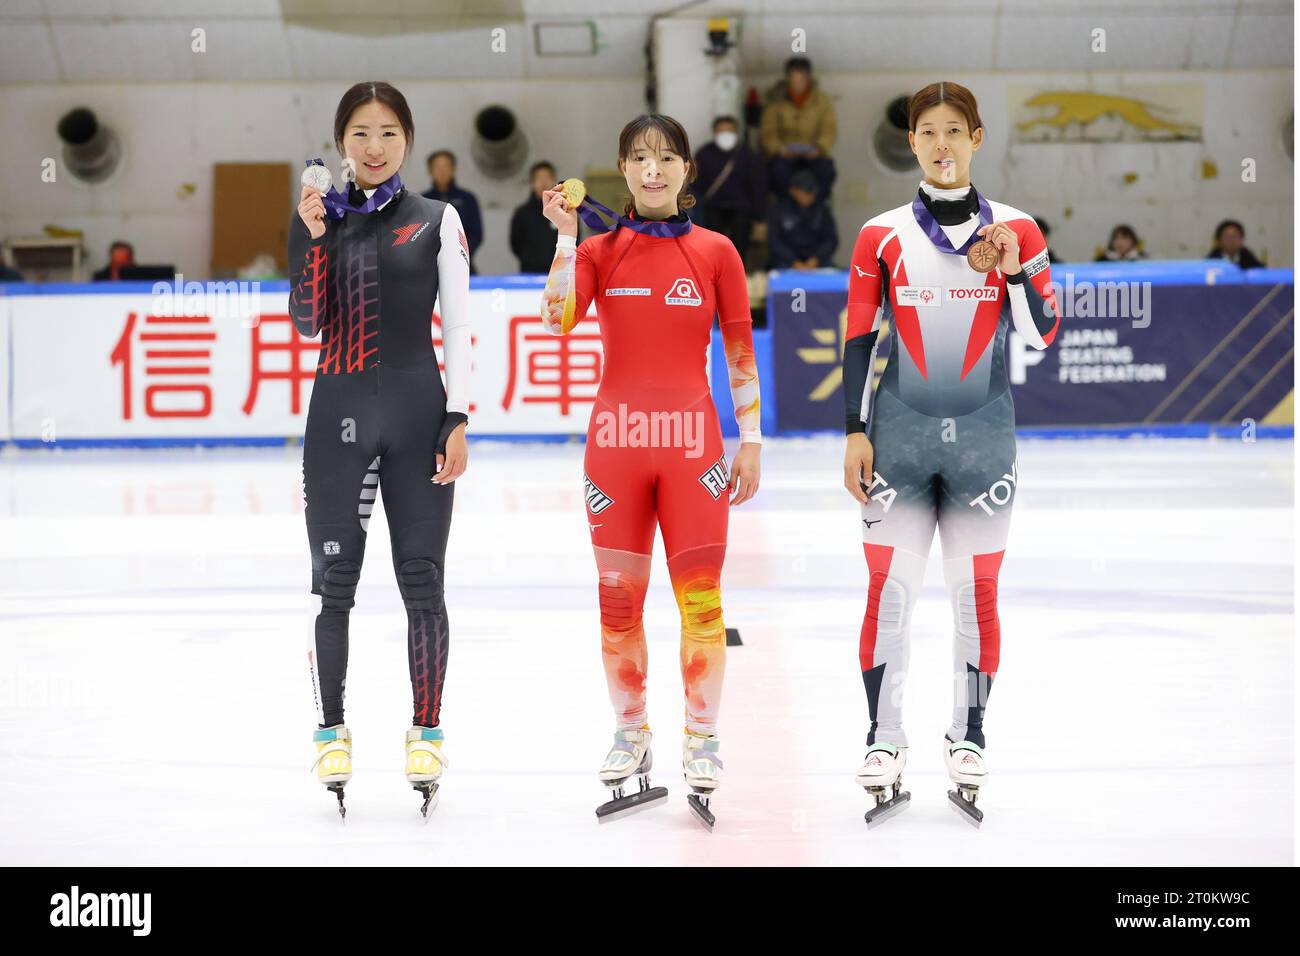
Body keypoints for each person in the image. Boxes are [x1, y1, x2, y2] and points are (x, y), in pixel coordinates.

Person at [840, 81, 1060, 828]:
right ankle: (883, 738)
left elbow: (1041, 335)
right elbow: (859, 338)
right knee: (888, 596)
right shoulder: (879, 235)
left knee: (976, 598)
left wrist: (1015, 269)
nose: (941, 144)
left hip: (983, 445)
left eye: (954, 131)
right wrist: (854, 429)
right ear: (912, 142)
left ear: (977, 138)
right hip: (896, 442)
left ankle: (969, 735)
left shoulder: (1017, 229)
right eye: (928, 131)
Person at [539, 114, 761, 827]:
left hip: (694, 449)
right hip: (617, 447)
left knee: (702, 603)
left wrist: (751, 440)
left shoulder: (717, 252)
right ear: (623, 169)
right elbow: (556, 319)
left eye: (666, 157)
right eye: (640, 158)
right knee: (617, 606)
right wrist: (565, 237)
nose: (653, 169)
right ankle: (631, 732)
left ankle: (703, 738)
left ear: (687, 169)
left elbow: (739, 351)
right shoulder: (598, 249)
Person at [289, 81, 472, 819]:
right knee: (334, 584)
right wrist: (311, 238)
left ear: (408, 140)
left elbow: (458, 324)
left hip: (419, 415)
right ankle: (331, 730)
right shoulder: (317, 216)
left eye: (389, 133)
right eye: (360, 133)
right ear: (341, 143)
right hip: (336, 416)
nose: (374, 147)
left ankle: (426, 731)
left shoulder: (437, 219)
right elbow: (307, 322)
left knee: (423, 582)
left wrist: (457, 416)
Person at [691, 115, 768, 260]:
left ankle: (738, 267)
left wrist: (759, 216)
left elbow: (758, 186)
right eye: (721, 131)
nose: (725, 135)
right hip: (714, 205)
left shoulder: (748, 155)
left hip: (741, 206)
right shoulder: (704, 154)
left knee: (740, 241)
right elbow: (696, 185)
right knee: (713, 244)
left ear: (736, 133)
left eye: (729, 131)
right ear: (714, 133)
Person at [760, 56, 838, 198]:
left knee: (826, 170)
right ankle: (787, 206)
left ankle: (816, 205)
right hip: (784, 154)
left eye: (801, 80)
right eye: (793, 80)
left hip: (814, 153)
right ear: (787, 78)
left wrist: (819, 148)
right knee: (777, 170)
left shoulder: (822, 100)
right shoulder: (775, 100)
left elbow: (830, 129)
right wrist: (779, 149)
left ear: (808, 78)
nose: (797, 84)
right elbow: (768, 131)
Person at [422, 149, 483, 273]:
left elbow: (476, 233)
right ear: (430, 171)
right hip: (431, 267)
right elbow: (420, 234)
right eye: (437, 167)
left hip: (463, 263)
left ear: (453, 169)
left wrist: (460, 253)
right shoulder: (423, 200)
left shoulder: (467, 199)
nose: (442, 171)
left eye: (446, 166)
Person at [766, 169, 838, 269]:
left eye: (812, 191)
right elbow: (774, 240)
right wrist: (793, 261)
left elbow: (831, 239)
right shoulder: (779, 210)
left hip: (818, 263)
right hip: (785, 262)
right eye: (805, 191)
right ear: (792, 191)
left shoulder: (822, 211)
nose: (809, 195)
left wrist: (816, 259)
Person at [509, 161, 559, 273]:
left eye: (547, 178)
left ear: (554, 181)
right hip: (529, 272)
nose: (543, 182)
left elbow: (573, 241)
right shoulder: (522, 213)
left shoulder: (564, 211)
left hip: (559, 273)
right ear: (532, 183)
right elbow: (516, 244)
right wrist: (529, 258)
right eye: (539, 178)